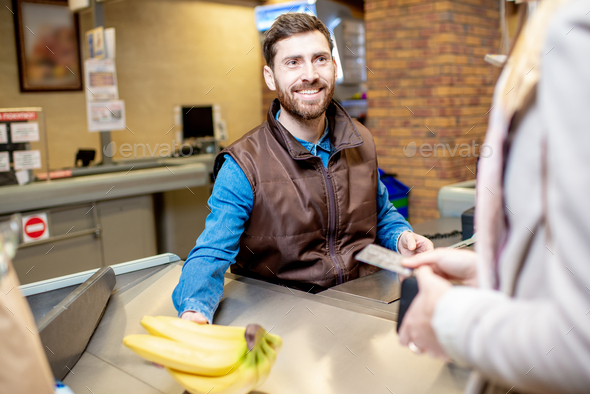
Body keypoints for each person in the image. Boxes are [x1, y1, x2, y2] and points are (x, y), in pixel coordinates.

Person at [172, 13, 433, 324]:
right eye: (293, 62)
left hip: (363, 306)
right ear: (270, 77)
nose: (310, 74)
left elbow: (380, 213)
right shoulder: (243, 164)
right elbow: (211, 252)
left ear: (334, 67)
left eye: (320, 59)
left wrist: (402, 237)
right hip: (283, 322)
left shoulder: (360, 140)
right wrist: (194, 311)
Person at [398, 0, 590, 392]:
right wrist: (490, 274)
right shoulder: (542, 27)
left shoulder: (574, 27)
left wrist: (447, 316)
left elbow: (580, 344)